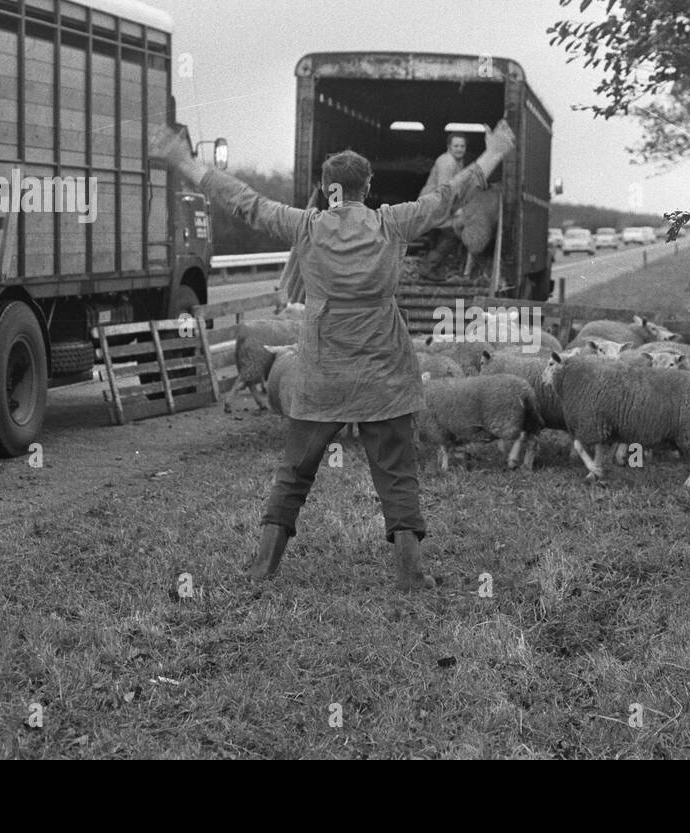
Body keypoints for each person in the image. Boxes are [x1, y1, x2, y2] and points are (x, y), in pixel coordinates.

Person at [149, 119, 516, 591]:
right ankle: (411, 575)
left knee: (295, 471)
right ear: (369, 188)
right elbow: (454, 194)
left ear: (326, 190)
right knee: (397, 474)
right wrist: (496, 151)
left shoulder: (305, 226)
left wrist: (184, 161)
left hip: (322, 372)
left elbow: (244, 200)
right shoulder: (393, 222)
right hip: (384, 373)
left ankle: (263, 568)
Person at [417, 133, 469, 280]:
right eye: (456, 146)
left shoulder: (457, 161)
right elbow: (444, 190)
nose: (459, 149)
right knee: (451, 233)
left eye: (462, 146)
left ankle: (432, 266)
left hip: (435, 202)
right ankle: (428, 267)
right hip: (435, 203)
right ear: (449, 147)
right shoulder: (448, 163)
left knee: (437, 233)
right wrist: (455, 210)